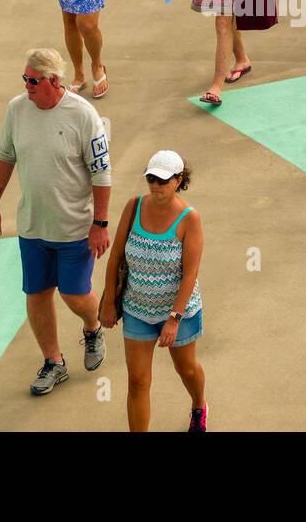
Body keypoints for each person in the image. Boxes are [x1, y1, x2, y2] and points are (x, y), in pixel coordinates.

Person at [0, 47, 112, 396]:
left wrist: (100, 223)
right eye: (24, 79)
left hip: (74, 228)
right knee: (37, 294)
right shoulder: (17, 110)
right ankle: (53, 362)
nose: (26, 85)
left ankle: (93, 325)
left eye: (32, 80)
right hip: (33, 226)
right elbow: (4, 157)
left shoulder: (84, 115)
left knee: (74, 293)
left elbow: (102, 172)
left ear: (54, 82)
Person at [99, 150, 206, 433]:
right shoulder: (134, 206)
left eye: (162, 180)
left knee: (187, 369)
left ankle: (198, 405)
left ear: (179, 180)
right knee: (137, 381)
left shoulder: (189, 218)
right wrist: (109, 300)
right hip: (137, 310)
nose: (155, 186)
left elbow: (190, 274)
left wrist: (174, 318)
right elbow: (116, 257)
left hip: (178, 312)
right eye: (151, 179)